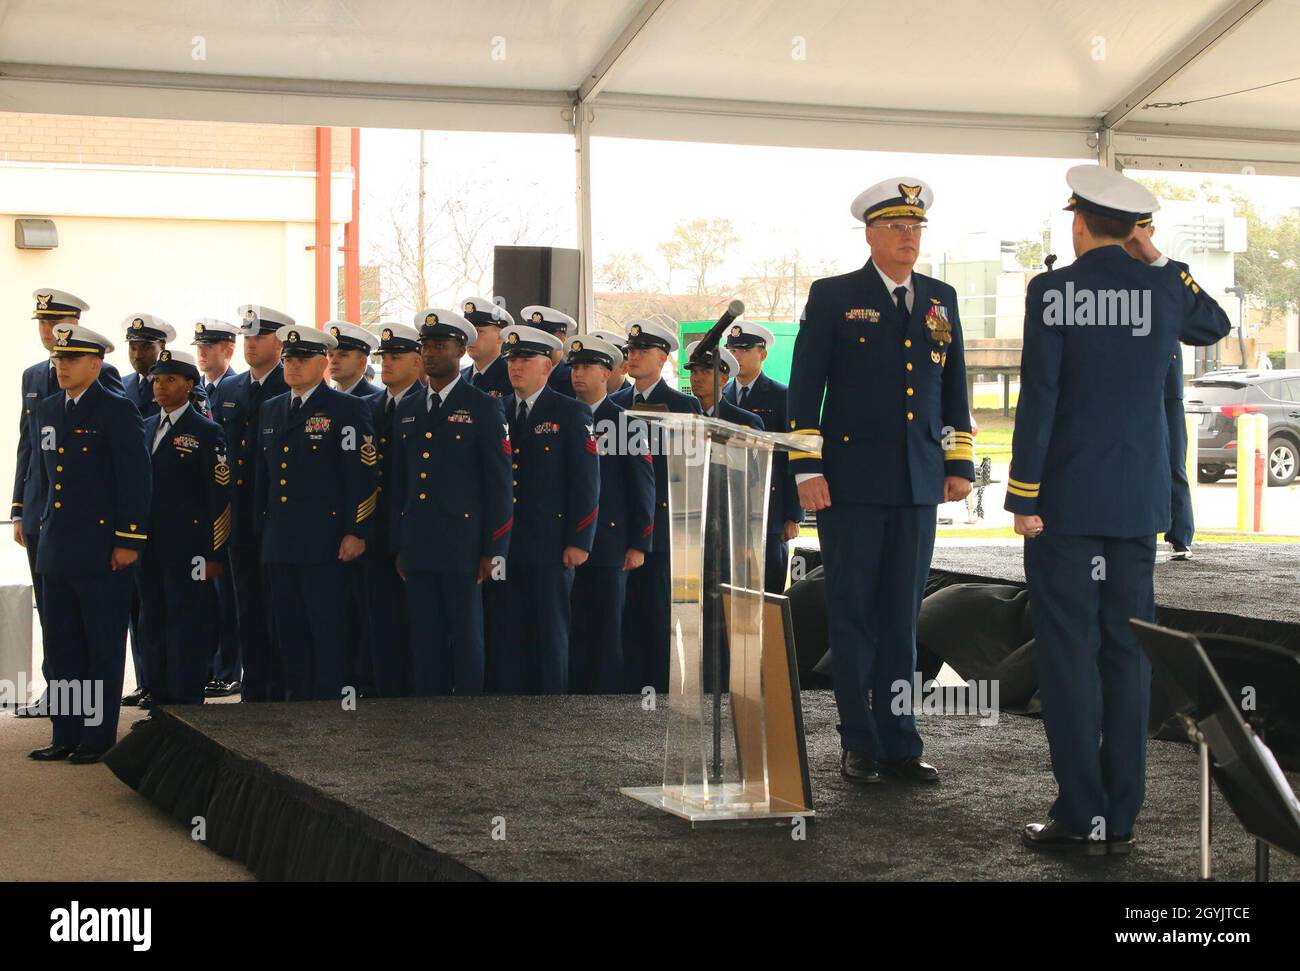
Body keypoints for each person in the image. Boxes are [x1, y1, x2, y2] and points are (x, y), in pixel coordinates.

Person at [1007, 165, 1231, 854]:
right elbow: (1214, 322)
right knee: (1128, 657)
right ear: (1132, 229)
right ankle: (1121, 818)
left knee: (1070, 656)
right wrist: (1157, 257)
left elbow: (1040, 396)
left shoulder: (1053, 291)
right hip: (1137, 507)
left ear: (1079, 223)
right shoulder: (1164, 290)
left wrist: (1022, 493)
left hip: (1066, 508)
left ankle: (1081, 813)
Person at [788, 177, 974, 786]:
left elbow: (953, 390)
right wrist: (806, 468)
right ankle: (858, 741)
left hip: (918, 485)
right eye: (896, 227)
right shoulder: (836, 295)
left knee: (901, 618)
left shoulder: (940, 299)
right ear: (870, 234)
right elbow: (805, 387)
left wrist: (957, 463)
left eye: (916, 228)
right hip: (849, 484)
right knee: (854, 615)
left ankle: (899, 741)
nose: (909, 238)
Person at [28, 324, 150, 763]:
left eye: (73, 359)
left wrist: (128, 539)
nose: (62, 365)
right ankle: (66, 732)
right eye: (59, 358)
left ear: (95, 364)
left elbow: (135, 480)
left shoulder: (116, 410)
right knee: (62, 647)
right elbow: (41, 477)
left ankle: (96, 738)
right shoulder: (46, 410)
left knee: (100, 646)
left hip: (102, 549)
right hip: (56, 548)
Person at [13, 289, 124, 719]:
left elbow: (111, 453)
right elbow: (29, 449)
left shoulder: (104, 375)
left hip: (85, 520)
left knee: (87, 623)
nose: (48, 332)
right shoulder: (33, 376)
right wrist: (21, 505)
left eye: (56, 322)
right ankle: (58, 695)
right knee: (55, 618)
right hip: (44, 514)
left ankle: (90, 715)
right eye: (42, 323)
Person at [392, 309, 512, 695]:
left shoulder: (483, 406)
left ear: (461, 349)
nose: (430, 353)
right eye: (425, 346)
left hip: (464, 544)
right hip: (419, 542)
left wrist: (494, 549)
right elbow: (400, 483)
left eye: (440, 346)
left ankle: (468, 715)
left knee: (466, 635)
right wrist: (399, 543)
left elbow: (498, 484)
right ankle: (430, 711)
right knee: (424, 637)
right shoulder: (408, 409)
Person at [256, 324, 376, 701]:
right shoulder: (272, 409)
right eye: (289, 358)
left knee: (327, 626)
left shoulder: (346, 408)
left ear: (323, 361)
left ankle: (330, 699)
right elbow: (265, 478)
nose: (293, 366)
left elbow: (363, 474)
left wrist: (357, 530)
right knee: (288, 627)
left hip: (326, 541)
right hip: (281, 540)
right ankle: (298, 697)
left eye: (302, 359)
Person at [491, 324, 599, 693]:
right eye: (511, 359)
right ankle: (510, 703)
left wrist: (580, 539)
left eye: (525, 359)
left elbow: (585, 483)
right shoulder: (498, 411)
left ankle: (553, 707)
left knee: (551, 631)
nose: (515, 367)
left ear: (548, 366)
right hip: (505, 544)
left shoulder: (570, 412)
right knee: (507, 628)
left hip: (551, 543)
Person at [610, 319, 702, 694]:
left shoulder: (684, 405)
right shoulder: (616, 404)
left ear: (663, 357)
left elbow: (692, 471)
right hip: (622, 525)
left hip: (665, 528)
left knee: (659, 613)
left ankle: (661, 687)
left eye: (642, 351)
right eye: (630, 351)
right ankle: (630, 685)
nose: (633, 357)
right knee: (625, 614)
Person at [136, 350, 231, 706]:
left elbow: (219, 497)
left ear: (190, 385)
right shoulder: (145, 427)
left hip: (190, 548)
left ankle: (185, 694)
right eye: (157, 380)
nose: (161, 387)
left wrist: (215, 553)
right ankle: (157, 690)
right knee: (153, 620)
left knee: (187, 622)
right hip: (151, 546)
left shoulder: (206, 431)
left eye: (170, 380)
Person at [566, 336, 654, 693]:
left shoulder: (625, 421)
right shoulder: (564, 414)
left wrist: (639, 543)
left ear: (606, 373)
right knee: (574, 626)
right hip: (568, 541)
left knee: (606, 629)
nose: (578, 374)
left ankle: (605, 703)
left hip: (610, 543)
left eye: (587, 367)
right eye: (574, 367)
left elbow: (642, 486)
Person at [219, 304, 290, 701]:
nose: (251, 344)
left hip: (275, 516)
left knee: (277, 607)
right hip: (239, 516)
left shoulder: (289, 386)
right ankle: (254, 684)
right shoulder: (230, 389)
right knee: (246, 606)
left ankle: (279, 685)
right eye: (247, 337)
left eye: (259, 336)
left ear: (279, 342)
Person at [362, 323, 425, 696]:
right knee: (380, 615)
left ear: (417, 363)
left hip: (414, 529)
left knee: (415, 619)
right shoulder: (369, 406)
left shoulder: (424, 405)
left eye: (395, 357)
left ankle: (412, 691)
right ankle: (384, 687)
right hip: (375, 526)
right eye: (383, 358)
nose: (386, 364)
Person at [1128, 214, 1195, 561]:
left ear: (1151, 232)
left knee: (1173, 459)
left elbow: (1200, 322)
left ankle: (1180, 532)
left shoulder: (1170, 273)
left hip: (1166, 384)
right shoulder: (1114, 277)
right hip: (1128, 382)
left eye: (1141, 231)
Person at [721, 321, 803, 592]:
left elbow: (793, 455)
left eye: (744, 350)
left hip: (770, 511)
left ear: (763, 354)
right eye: (732, 350)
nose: (737, 357)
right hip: (729, 512)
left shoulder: (782, 396)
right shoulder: (722, 395)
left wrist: (793, 515)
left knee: (768, 590)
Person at [326, 321, 381, 695]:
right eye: (330, 353)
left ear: (363, 360)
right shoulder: (328, 400)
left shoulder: (369, 401)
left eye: (342, 354)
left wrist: (358, 526)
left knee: (364, 612)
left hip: (363, 523)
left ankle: (361, 681)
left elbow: (367, 471)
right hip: (331, 523)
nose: (333, 360)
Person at [192, 317, 244, 697]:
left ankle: (229, 668)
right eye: (200, 346)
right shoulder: (197, 390)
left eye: (210, 346)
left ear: (228, 350)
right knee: (205, 596)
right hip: (201, 509)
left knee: (229, 598)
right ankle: (210, 665)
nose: (203, 352)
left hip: (229, 507)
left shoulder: (235, 389)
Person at [460, 296, 514, 399]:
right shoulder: (460, 377)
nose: (472, 338)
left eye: (479, 332)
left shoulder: (512, 378)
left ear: (499, 337)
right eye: (469, 333)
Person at [521, 305, 578, 398]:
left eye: (546, 339)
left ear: (563, 340)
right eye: (532, 338)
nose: (537, 344)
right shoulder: (518, 374)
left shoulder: (574, 381)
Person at [327, 320, 380, 398]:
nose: (333, 361)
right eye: (330, 355)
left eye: (342, 355)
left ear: (362, 362)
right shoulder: (324, 398)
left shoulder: (377, 401)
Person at [589, 329, 633, 396]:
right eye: (591, 366)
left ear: (625, 368)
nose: (596, 371)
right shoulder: (583, 394)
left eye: (604, 366)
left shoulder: (633, 401)